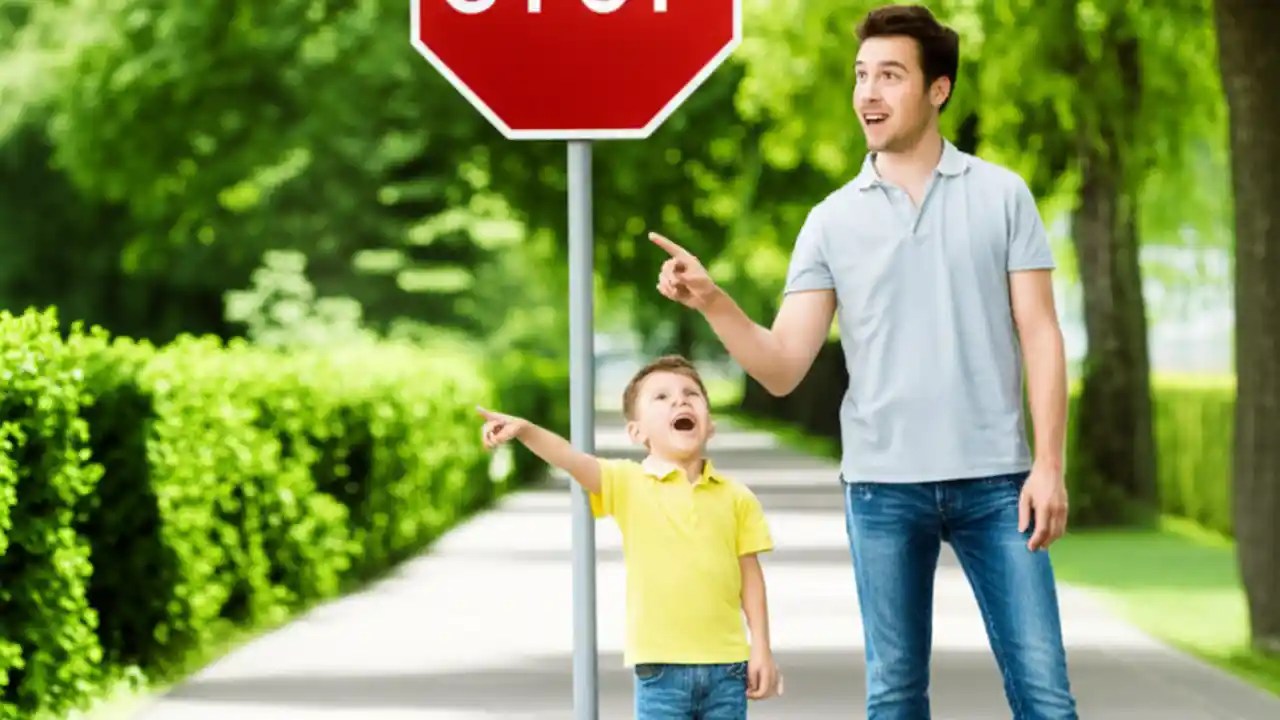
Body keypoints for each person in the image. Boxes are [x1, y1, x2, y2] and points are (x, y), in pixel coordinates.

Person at [648, 4, 1079, 719]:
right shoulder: (831, 220)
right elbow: (783, 365)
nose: (868, 94)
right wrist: (715, 301)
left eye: (890, 75)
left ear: (938, 89)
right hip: (883, 487)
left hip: (998, 482)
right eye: (861, 76)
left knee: (1045, 696)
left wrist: (1049, 464)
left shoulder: (1002, 195)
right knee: (895, 697)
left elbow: (1040, 332)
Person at [477, 355, 783, 719]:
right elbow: (569, 458)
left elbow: (750, 577)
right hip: (660, 669)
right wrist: (526, 430)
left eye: (691, 394)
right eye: (662, 397)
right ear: (637, 432)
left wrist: (761, 647)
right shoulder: (627, 483)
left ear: (710, 425)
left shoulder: (736, 497)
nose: (680, 401)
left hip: (727, 666)